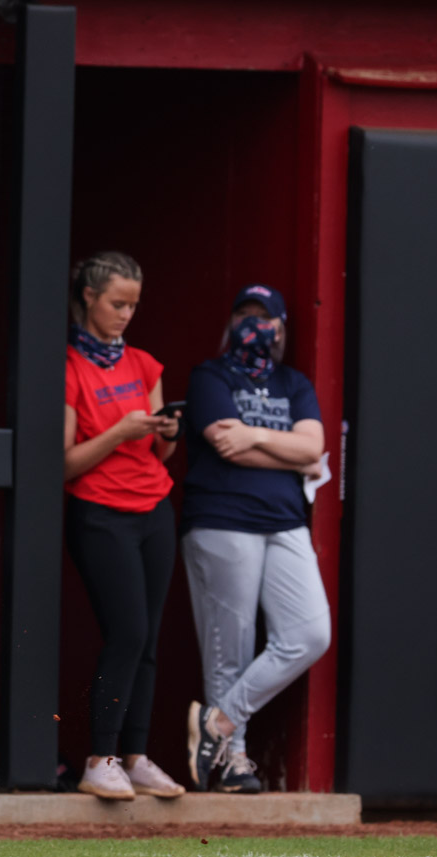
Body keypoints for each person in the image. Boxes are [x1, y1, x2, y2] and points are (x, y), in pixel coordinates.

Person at [183, 285, 331, 793]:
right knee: (232, 647)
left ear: (282, 328)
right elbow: (227, 447)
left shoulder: (294, 382)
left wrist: (257, 435)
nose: (255, 325)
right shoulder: (211, 375)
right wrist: (285, 449)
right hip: (224, 518)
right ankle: (234, 762)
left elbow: (315, 449)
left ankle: (218, 723)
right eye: (245, 314)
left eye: (265, 317)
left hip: (286, 520)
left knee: (310, 633)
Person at [63, 251, 185, 801]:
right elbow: (65, 462)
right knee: (128, 631)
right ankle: (100, 757)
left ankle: (134, 756)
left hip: (153, 506)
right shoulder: (68, 365)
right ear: (89, 297)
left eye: (133, 305)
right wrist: (119, 430)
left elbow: (159, 451)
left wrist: (168, 430)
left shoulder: (144, 364)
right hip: (99, 510)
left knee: (150, 636)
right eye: (117, 303)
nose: (126, 314)